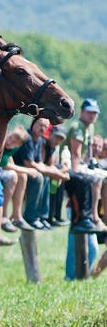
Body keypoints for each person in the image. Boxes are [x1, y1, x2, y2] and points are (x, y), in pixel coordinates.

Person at [11, 116, 69, 230]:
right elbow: (29, 163)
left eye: (45, 127)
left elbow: (39, 163)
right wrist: (56, 174)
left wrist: (55, 172)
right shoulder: (27, 137)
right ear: (33, 123)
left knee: (45, 177)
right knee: (39, 178)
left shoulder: (39, 140)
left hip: (27, 169)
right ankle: (30, 217)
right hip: (17, 168)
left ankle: (42, 217)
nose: (42, 128)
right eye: (40, 125)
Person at [65, 98, 107, 231]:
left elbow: (88, 151)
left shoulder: (90, 127)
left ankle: (103, 216)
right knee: (94, 179)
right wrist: (78, 172)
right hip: (68, 164)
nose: (92, 115)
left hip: (81, 163)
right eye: (89, 112)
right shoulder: (77, 126)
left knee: (103, 177)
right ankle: (94, 216)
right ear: (82, 111)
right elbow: (75, 154)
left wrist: (90, 165)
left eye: (95, 113)